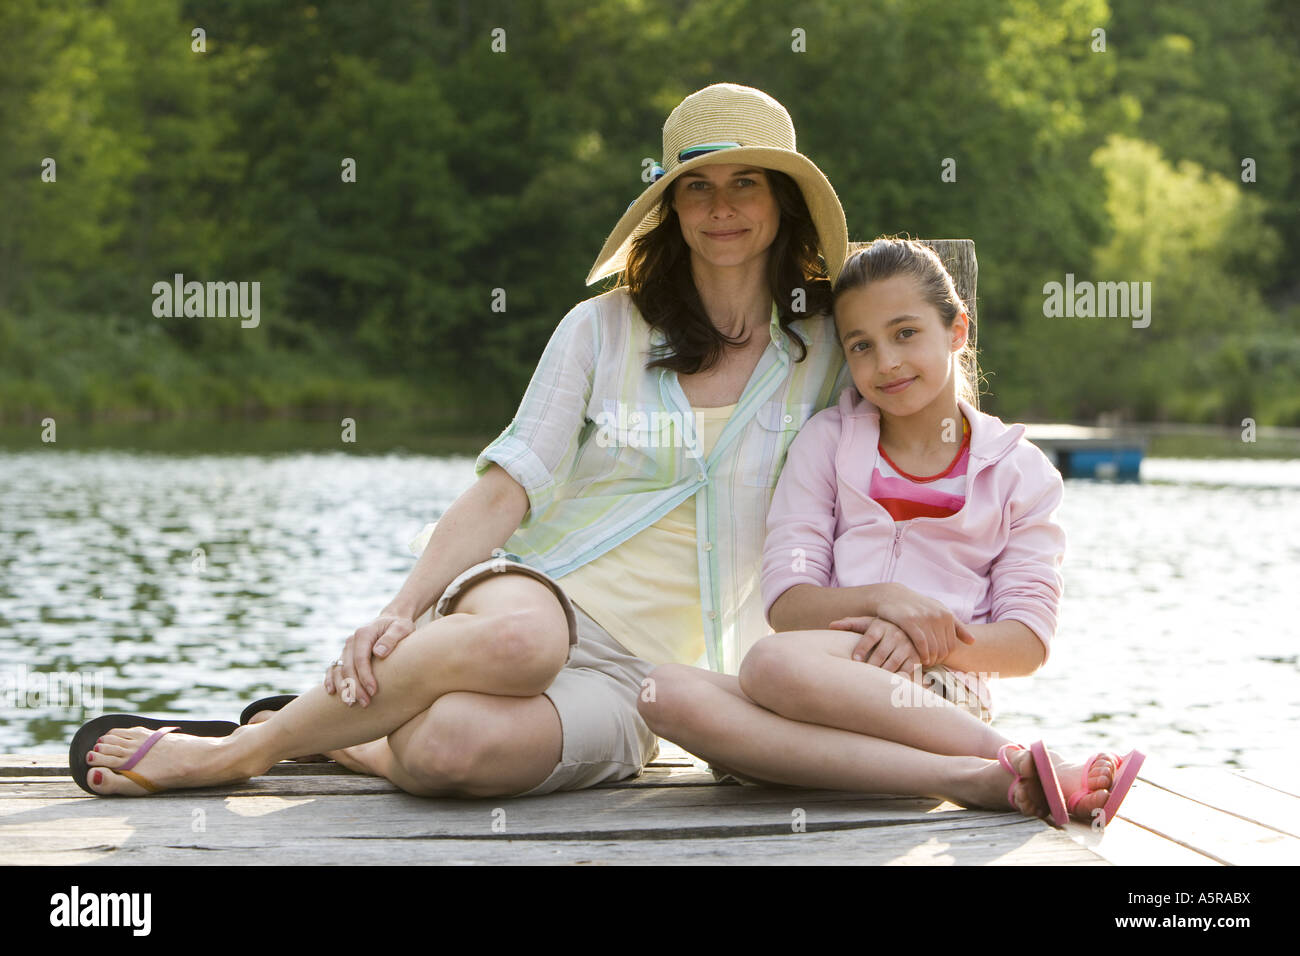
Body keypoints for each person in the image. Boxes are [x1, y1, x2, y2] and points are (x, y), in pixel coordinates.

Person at [70, 82, 865, 798]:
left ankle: (358, 747)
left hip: (657, 678)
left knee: (450, 750)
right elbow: (508, 484)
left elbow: (903, 463)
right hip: (544, 599)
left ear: (783, 200)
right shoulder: (603, 329)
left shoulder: (830, 349)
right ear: (672, 205)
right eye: (697, 186)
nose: (720, 206)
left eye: (745, 183)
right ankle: (246, 749)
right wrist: (401, 611)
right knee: (522, 640)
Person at [637, 238, 1144, 825]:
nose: (887, 363)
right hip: (821, 684)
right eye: (862, 346)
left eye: (906, 333)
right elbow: (789, 604)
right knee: (664, 691)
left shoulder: (1019, 472)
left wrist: (926, 639)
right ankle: (973, 777)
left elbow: (1027, 643)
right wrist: (886, 605)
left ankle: (1010, 757)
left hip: (936, 696)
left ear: (957, 331)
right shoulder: (825, 444)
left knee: (770, 665)